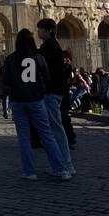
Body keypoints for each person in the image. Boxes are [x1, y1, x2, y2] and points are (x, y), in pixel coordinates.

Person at [2, 29, 71, 180]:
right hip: (36, 99)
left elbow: (5, 81)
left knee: (24, 137)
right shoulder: (38, 58)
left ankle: (29, 171)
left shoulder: (11, 59)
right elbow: (46, 78)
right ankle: (61, 169)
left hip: (18, 100)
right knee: (47, 135)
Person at [35, 19, 75, 173]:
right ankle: (64, 164)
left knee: (55, 129)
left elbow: (46, 70)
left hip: (52, 92)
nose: (38, 32)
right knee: (55, 128)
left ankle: (65, 165)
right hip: (56, 91)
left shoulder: (49, 46)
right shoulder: (53, 45)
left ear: (49, 30)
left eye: (41, 29)